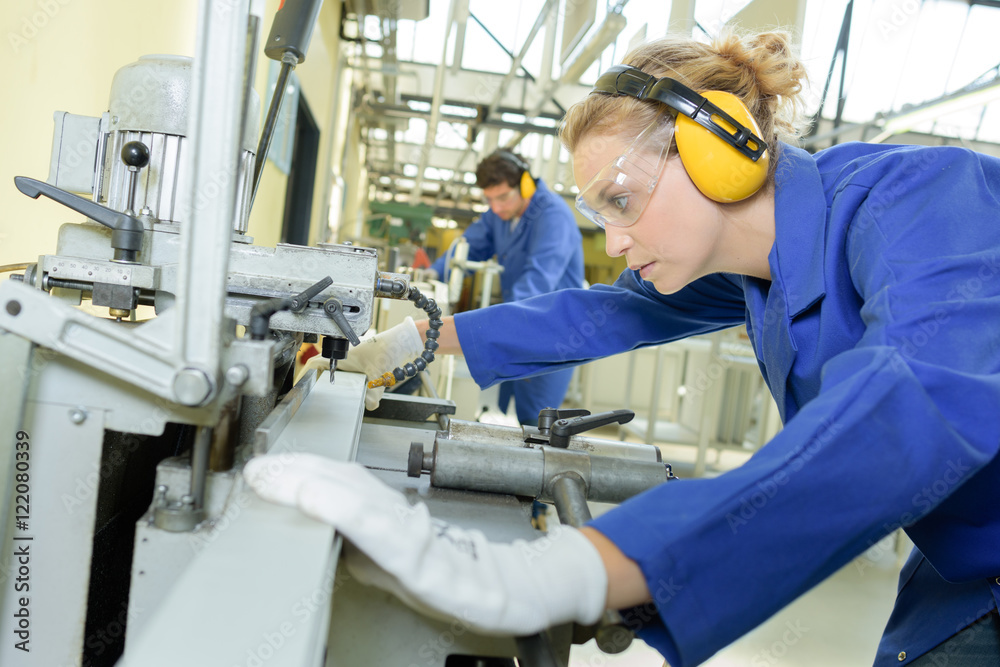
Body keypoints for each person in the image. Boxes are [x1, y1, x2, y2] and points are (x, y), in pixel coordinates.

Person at [246, 28, 1000, 666]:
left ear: (717, 149)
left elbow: (914, 401)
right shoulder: (756, 265)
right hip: (960, 561)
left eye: (623, 199)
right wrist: (413, 337)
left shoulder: (919, 199)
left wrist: (575, 570)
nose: (612, 238)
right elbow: (609, 312)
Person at [428, 150, 585, 425]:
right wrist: (432, 275)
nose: (496, 207)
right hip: (518, 325)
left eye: (502, 197)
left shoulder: (553, 215)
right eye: (489, 199)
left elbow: (538, 279)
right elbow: (466, 247)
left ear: (525, 184)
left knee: (537, 421)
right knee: (495, 414)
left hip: (553, 335)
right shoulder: (497, 216)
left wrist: (496, 325)